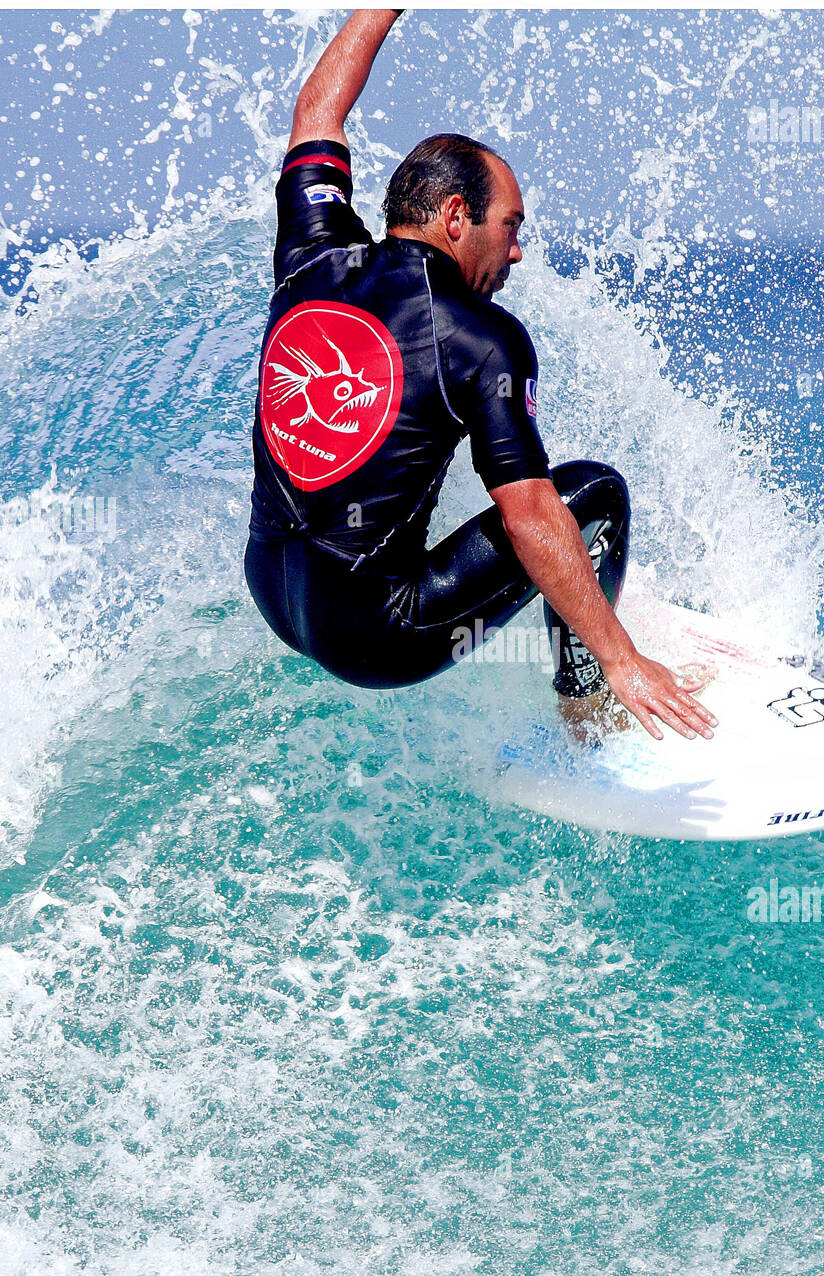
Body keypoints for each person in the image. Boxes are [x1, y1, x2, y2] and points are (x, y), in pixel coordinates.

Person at [244, 8, 715, 743]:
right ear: (457, 216)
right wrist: (622, 658)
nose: (517, 252)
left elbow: (318, 109)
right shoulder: (482, 338)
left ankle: (585, 643)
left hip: (273, 592)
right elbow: (531, 515)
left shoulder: (313, 252)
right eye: (512, 226)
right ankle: (590, 704)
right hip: (375, 638)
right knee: (592, 493)